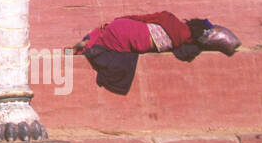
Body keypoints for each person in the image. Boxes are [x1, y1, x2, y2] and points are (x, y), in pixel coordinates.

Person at [68, 12, 240, 96]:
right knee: (101, 43)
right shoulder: (182, 41)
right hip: (134, 37)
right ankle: (81, 47)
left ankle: (77, 47)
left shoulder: (169, 19)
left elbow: (142, 17)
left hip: (126, 28)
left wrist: (120, 19)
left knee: (102, 36)